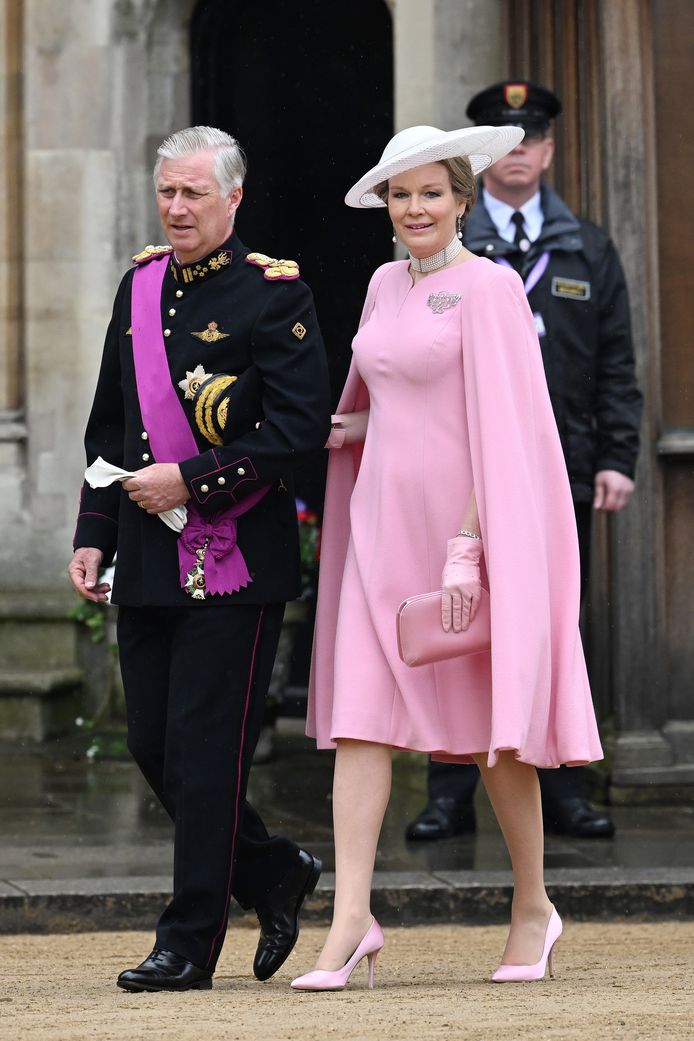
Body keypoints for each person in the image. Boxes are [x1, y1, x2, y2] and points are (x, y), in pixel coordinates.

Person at [291, 122, 603, 991]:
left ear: (463, 200)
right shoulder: (382, 283)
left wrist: (469, 546)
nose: (415, 208)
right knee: (361, 722)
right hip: (380, 528)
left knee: (492, 739)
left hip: (464, 541)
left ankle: (534, 906)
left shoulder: (491, 288)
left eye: (431, 192)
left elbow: (503, 426)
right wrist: (331, 427)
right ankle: (350, 919)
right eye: (401, 194)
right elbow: (389, 403)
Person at [67, 126, 331, 992]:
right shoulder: (140, 286)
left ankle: (187, 941)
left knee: (208, 753)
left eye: (194, 193)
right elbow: (112, 425)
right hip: (147, 555)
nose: (177, 208)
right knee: (153, 743)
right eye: (167, 192)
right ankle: (270, 869)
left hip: (235, 556)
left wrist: (193, 478)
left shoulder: (274, 295)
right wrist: (94, 530)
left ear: (233, 198)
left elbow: (297, 430)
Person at [406, 82, 642, 844]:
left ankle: (564, 789)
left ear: (547, 151)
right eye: (502, 142)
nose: (518, 153)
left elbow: (616, 362)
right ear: (480, 162)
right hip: (465, 473)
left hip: (557, 471)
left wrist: (617, 456)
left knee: (550, 625)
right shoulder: (444, 249)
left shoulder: (586, 247)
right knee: (457, 623)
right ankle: (448, 795)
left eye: (530, 140)